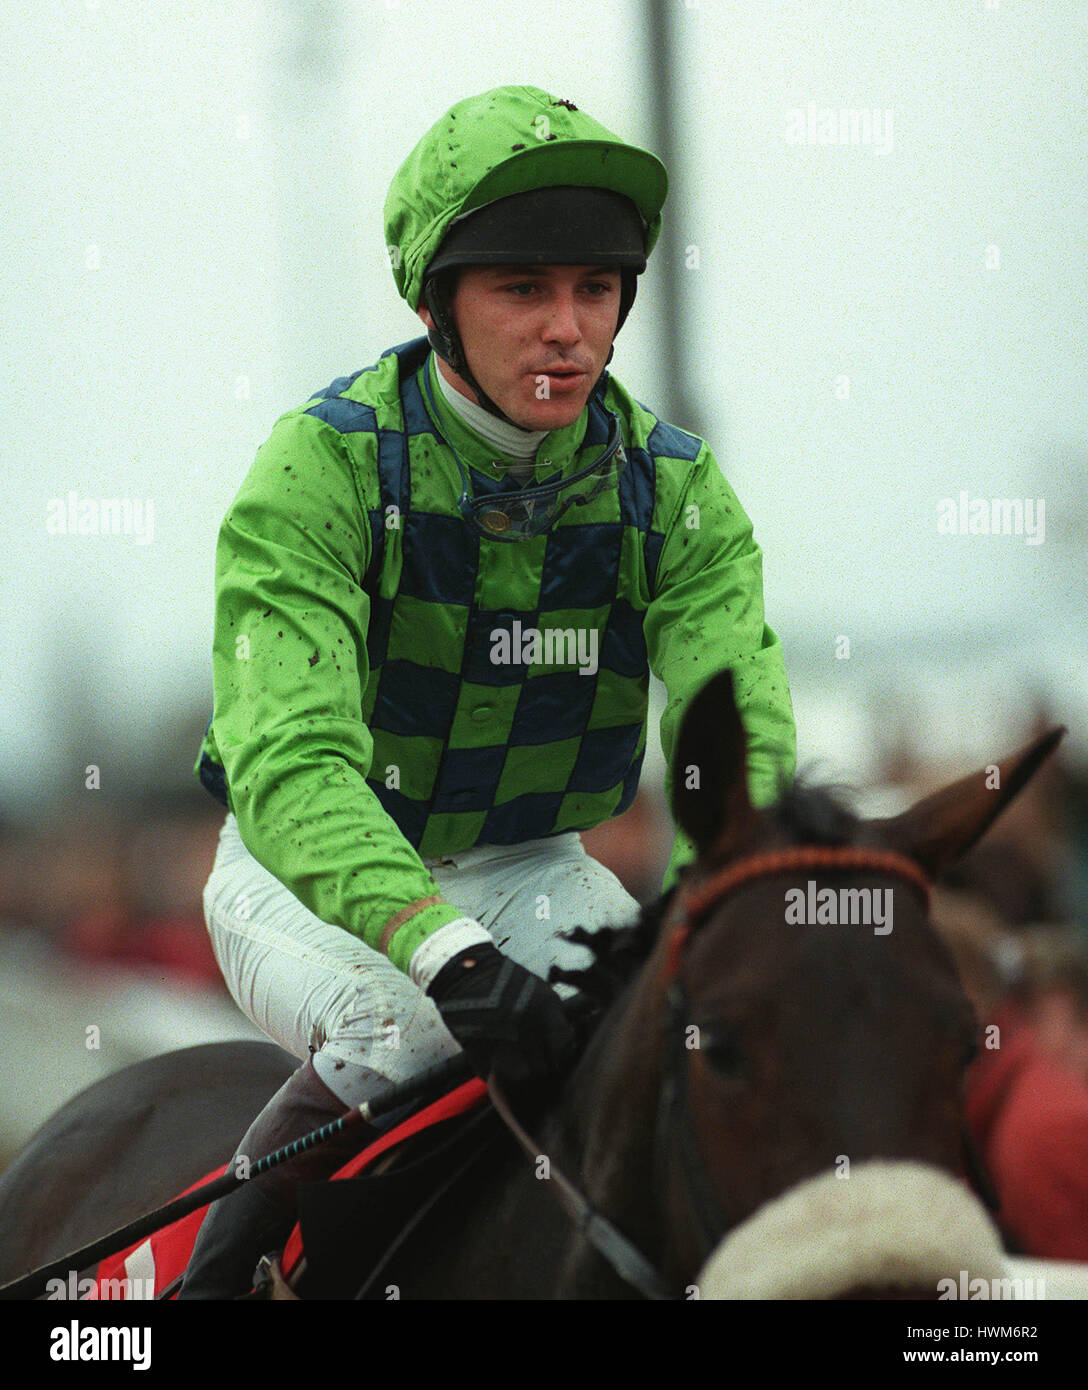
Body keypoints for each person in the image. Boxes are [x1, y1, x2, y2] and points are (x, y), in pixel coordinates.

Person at [178, 85, 797, 1297]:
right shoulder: (320, 465)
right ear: (435, 305)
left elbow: (736, 741)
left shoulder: (675, 493)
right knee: (408, 1027)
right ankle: (211, 1284)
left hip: (534, 866)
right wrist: (445, 953)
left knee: (674, 1036)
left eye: (594, 289)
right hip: (302, 879)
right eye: (522, 290)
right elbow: (292, 763)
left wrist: (725, 910)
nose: (566, 330)